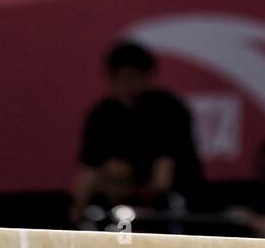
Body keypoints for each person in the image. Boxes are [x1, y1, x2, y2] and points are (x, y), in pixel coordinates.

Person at [72, 41, 205, 219]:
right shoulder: (101, 114)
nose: (129, 84)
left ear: (148, 77)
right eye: (123, 77)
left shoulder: (168, 109)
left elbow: (163, 173)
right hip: (115, 199)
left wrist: (141, 197)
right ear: (112, 78)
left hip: (166, 198)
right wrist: (77, 209)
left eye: (135, 77)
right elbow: (90, 171)